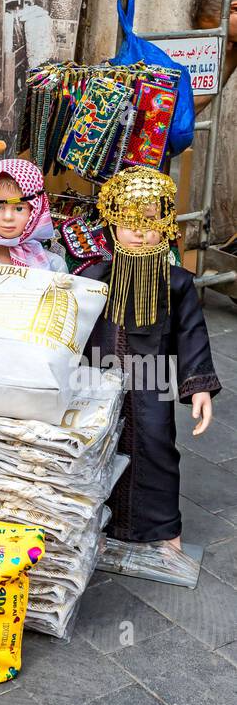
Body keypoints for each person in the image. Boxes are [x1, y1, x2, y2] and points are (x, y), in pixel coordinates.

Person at [83, 167, 219, 566]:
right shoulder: (94, 277)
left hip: (152, 382)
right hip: (96, 382)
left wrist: (199, 387)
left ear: (165, 225)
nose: (140, 232)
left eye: (150, 221)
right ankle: (100, 528)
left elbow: (192, 334)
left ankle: (164, 532)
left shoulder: (177, 283)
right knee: (97, 452)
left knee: (157, 448)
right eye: (129, 222)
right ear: (113, 225)